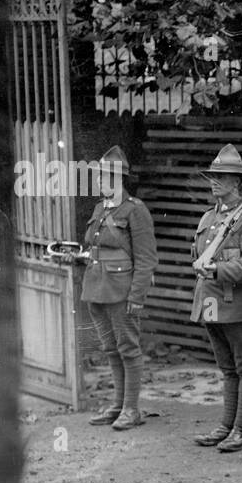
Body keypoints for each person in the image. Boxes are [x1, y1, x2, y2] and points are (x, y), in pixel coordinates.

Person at [191, 144, 242, 452]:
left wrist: (217, 269)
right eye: (213, 176)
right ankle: (226, 424)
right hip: (209, 301)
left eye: (222, 177)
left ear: (237, 182)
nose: (215, 182)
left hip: (236, 303)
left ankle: (241, 429)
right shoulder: (208, 217)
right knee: (226, 367)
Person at [80, 146, 158, 431]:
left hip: (122, 290)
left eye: (102, 176)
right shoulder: (100, 208)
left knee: (128, 348)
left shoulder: (135, 210)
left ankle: (131, 408)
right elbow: (95, 246)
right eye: (98, 176)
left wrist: (137, 297)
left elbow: (147, 259)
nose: (99, 181)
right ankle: (117, 404)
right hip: (96, 288)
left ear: (117, 178)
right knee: (110, 348)